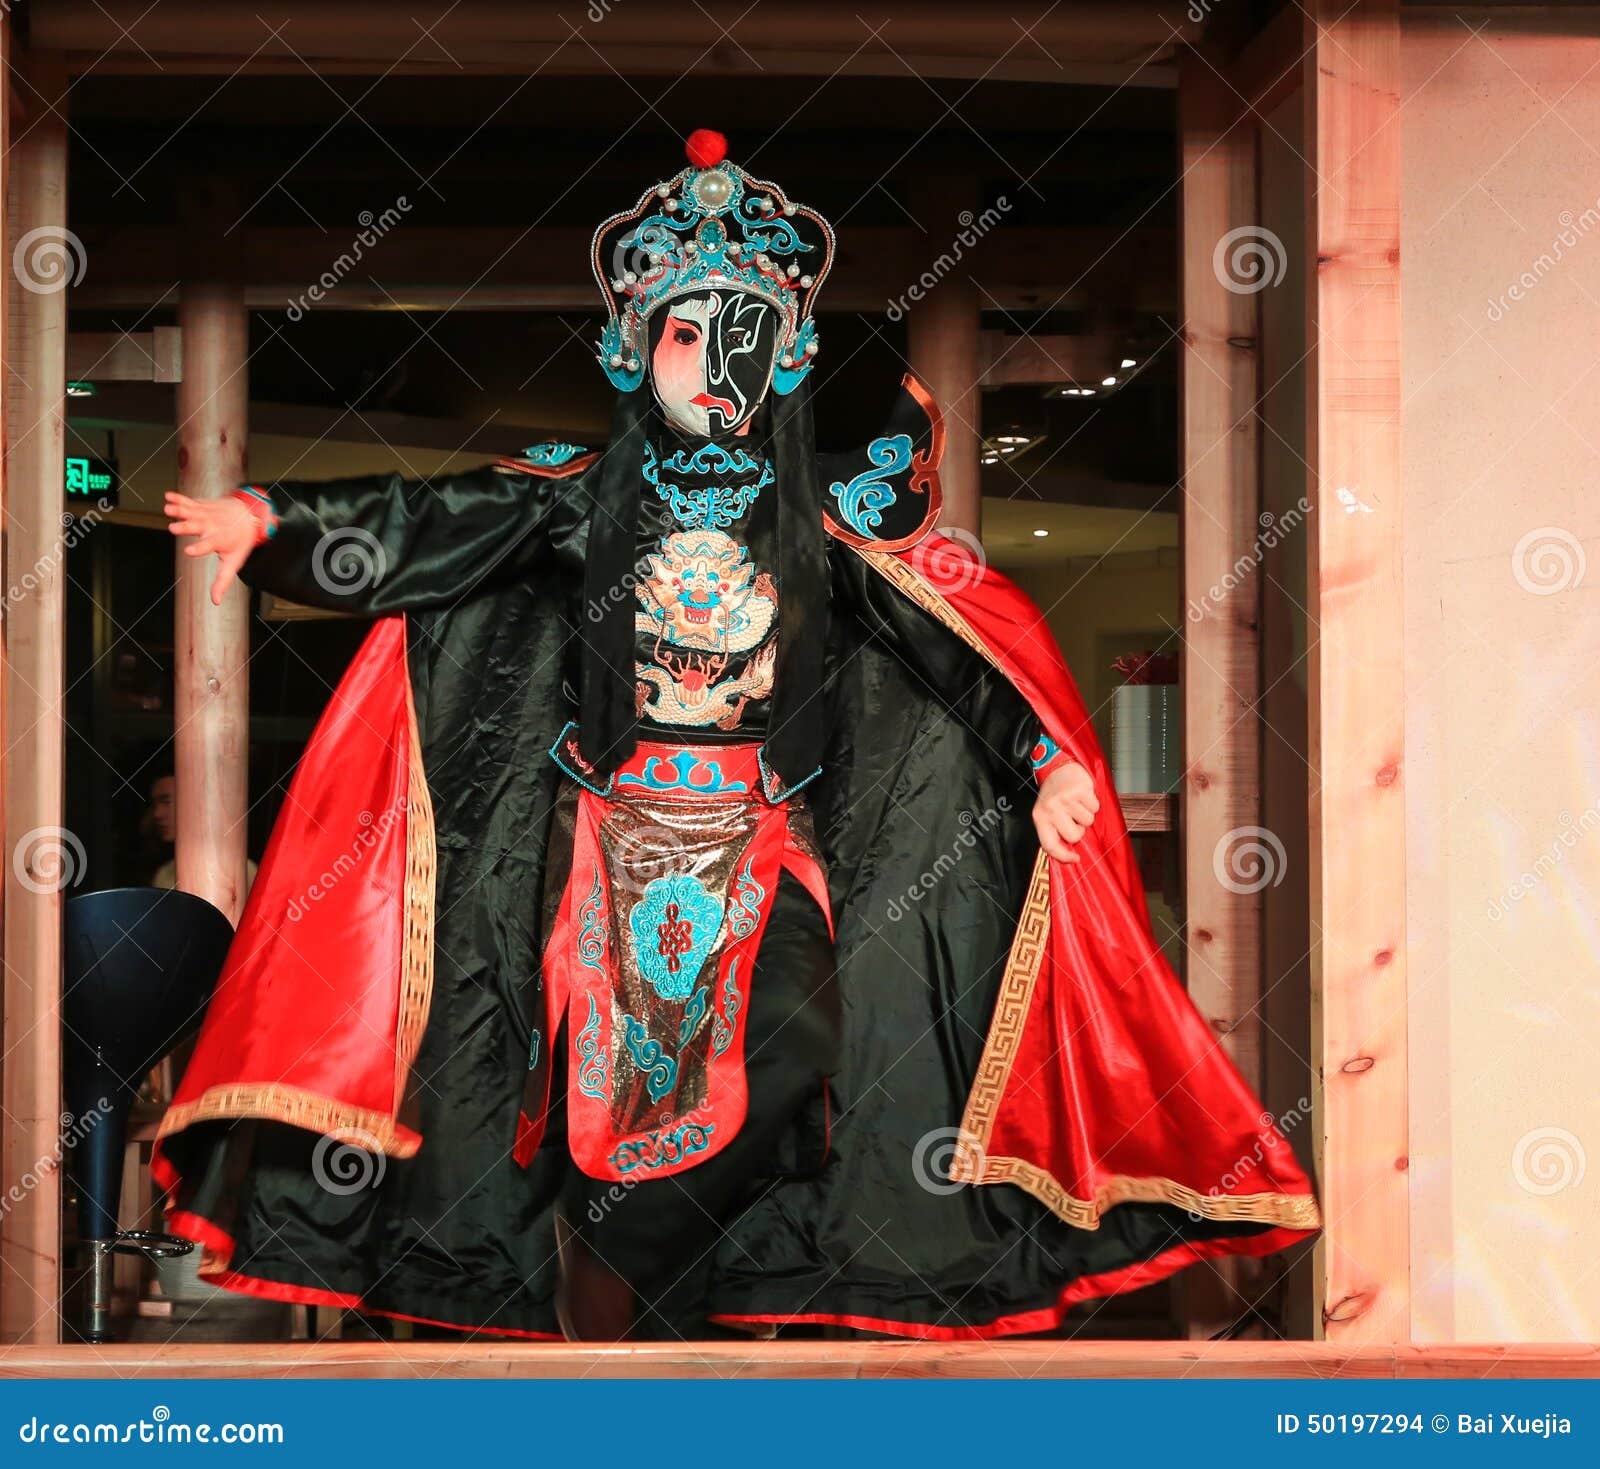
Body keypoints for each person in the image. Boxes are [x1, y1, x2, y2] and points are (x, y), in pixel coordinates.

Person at [155, 131, 1317, 1341]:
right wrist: (274, 522)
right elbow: (434, 517)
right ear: (632, 347)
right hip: (601, 850)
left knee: (798, 1044)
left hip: (764, 840)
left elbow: (939, 640)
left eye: (750, 332)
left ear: (790, 352)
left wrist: (1041, 756)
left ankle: (609, 1271)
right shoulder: (576, 496)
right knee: (591, 1103)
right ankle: (647, 1327)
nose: (722, 361)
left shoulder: (820, 515)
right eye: (689, 332)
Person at [143, 772, 258, 893]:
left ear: (196, 802)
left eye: (166, 802)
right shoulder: (164, 874)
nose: (157, 814)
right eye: (154, 804)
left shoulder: (240, 870)